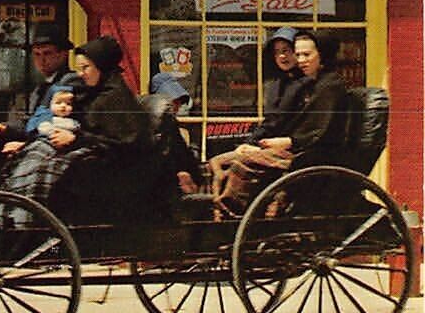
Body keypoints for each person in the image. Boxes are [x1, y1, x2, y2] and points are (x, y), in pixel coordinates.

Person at [1, 35, 154, 223]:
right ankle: (12, 215)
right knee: (32, 154)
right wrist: (26, 143)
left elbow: (126, 143)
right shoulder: (91, 94)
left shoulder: (116, 98)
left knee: (46, 167)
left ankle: (31, 221)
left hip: (112, 168)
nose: (81, 74)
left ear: (102, 67)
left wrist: (76, 138)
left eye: (86, 68)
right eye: (80, 68)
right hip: (86, 150)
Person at [216, 30, 349, 217]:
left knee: (245, 162)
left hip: (315, 155)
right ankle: (229, 212)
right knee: (224, 162)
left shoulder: (330, 86)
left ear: (322, 55)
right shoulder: (312, 84)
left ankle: (233, 215)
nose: (301, 60)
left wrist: (287, 142)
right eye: (299, 54)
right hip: (300, 150)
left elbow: (320, 131)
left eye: (306, 55)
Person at [208, 26, 305, 203]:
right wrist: (248, 143)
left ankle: (230, 209)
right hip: (265, 146)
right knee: (216, 162)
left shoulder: (305, 85)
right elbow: (269, 122)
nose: (282, 56)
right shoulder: (277, 84)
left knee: (239, 164)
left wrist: (258, 148)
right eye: (277, 53)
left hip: (286, 150)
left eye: (287, 51)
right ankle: (216, 206)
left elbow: (293, 127)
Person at [0, 21, 75, 143]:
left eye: (47, 53)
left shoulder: (70, 82)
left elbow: (56, 126)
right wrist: (4, 128)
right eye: (37, 54)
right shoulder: (40, 87)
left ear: (63, 54)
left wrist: (23, 146)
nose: (42, 60)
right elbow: (31, 122)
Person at [148, 72, 201, 195]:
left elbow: (186, 158)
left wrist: (191, 176)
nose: (176, 106)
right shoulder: (143, 124)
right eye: (173, 101)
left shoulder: (171, 125)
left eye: (178, 102)